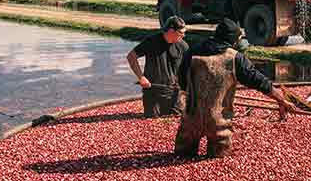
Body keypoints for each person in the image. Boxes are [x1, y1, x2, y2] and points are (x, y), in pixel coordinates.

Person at [174, 19, 295, 157]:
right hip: (219, 124)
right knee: (218, 163)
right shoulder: (235, 58)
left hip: (191, 119)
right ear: (233, 40)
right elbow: (259, 81)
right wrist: (281, 100)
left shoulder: (192, 53)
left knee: (181, 156)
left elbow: (183, 83)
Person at [126, 16, 188, 117]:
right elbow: (131, 56)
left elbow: (187, 67)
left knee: (178, 117)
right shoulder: (152, 42)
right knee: (152, 119)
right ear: (171, 31)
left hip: (173, 92)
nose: (183, 35)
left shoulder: (183, 46)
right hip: (152, 91)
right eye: (181, 33)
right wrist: (141, 77)